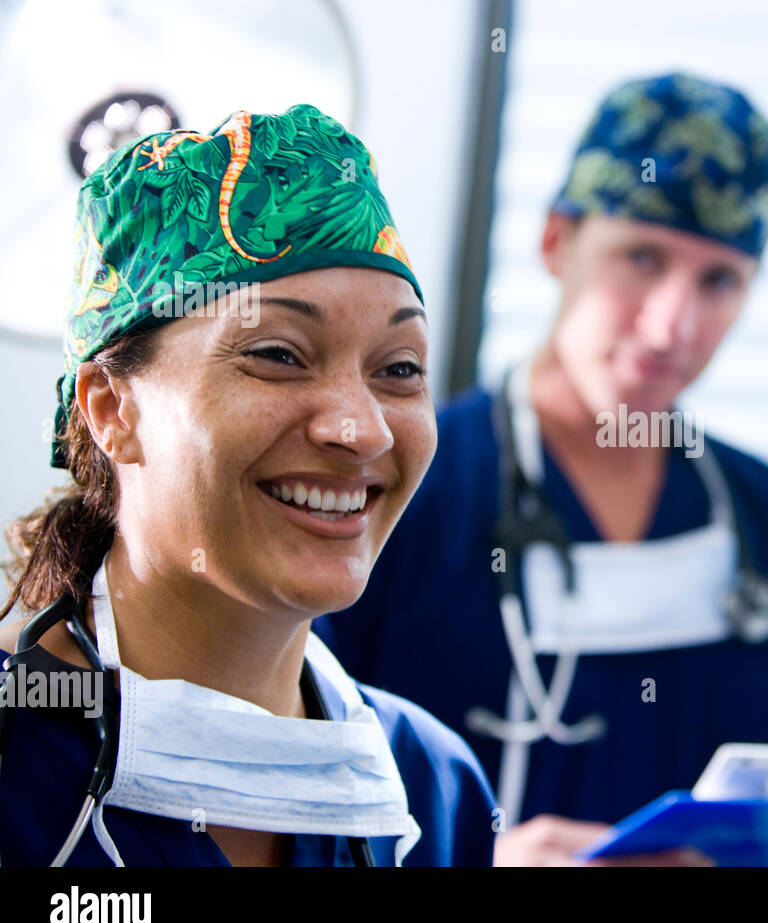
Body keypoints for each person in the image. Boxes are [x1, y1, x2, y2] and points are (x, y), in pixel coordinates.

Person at [315, 73, 768, 866]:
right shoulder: (392, 497)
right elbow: (276, 823)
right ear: (557, 240)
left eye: (719, 280)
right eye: (642, 257)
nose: (672, 325)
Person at [0, 105, 495, 866]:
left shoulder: (432, 789)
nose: (361, 431)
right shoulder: (20, 760)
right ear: (111, 409)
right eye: (278, 355)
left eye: (399, 369)